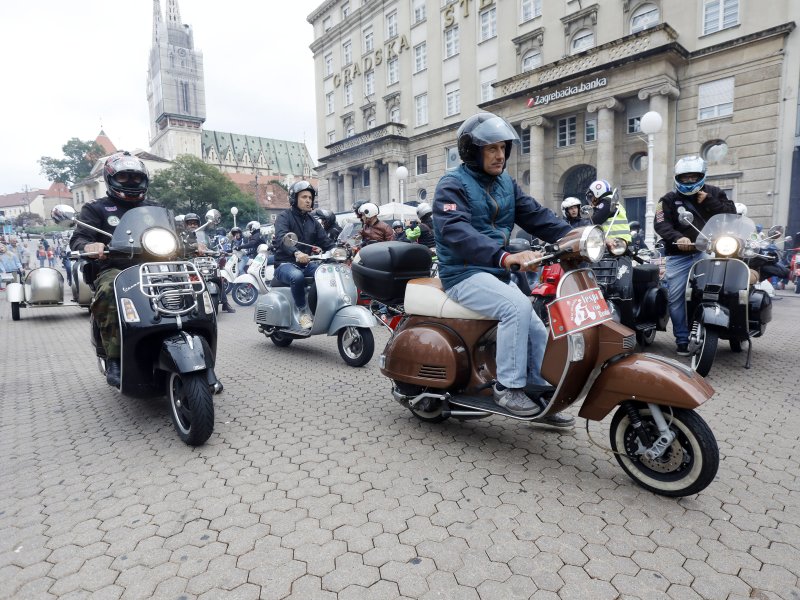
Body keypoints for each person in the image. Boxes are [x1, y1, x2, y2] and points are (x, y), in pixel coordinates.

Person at [432, 112, 574, 426]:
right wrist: (501, 256)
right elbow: (455, 231)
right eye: (492, 148)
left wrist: (574, 235)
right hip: (463, 272)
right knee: (517, 307)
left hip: (494, 271)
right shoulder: (452, 184)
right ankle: (508, 388)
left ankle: (537, 392)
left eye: (503, 148)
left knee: (536, 326)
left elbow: (536, 215)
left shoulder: (506, 184)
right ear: (473, 151)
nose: (500, 155)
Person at [69, 151, 154, 387]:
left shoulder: (153, 208)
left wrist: (191, 242)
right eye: (124, 177)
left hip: (154, 266)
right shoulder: (96, 209)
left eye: (135, 178)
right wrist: (89, 244)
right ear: (111, 178)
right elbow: (78, 238)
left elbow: (173, 232)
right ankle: (114, 358)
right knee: (108, 290)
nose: (131, 182)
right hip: (115, 269)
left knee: (195, 285)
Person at [654, 155, 736, 356]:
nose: (689, 181)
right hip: (679, 256)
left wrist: (709, 201)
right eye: (685, 178)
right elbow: (661, 224)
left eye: (694, 177)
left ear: (702, 176)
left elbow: (731, 214)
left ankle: (720, 329)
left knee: (722, 290)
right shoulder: (668, 199)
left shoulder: (714, 193)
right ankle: (682, 339)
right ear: (677, 178)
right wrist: (678, 237)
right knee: (675, 298)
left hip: (708, 252)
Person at [272, 181, 334, 329]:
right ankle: (302, 312)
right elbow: (282, 238)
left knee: (326, 273)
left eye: (310, 197)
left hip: (306, 264)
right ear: (294, 198)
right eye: (304, 197)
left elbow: (325, 241)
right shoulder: (284, 217)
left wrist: (337, 250)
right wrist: (296, 252)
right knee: (297, 276)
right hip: (284, 264)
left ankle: (320, 308)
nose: (308, 200)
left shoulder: (313, 221)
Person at [183, 213, 236, 313]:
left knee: (218, 276)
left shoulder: (204, 236)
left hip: (204, 262)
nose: (193, 225)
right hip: (190, 263)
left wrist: (218, 251)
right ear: (186, 225)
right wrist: (194, 247)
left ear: (198, 224)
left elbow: (211, 247)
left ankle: (225, 303)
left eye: (195, 223)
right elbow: (180, 248)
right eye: (190, 223)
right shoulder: (183, 237)